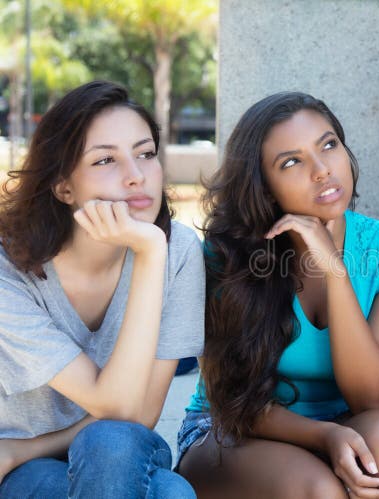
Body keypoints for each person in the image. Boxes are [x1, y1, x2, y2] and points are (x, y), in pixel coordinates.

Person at [176, 92, 379, 498]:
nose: (322, 170)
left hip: (342, 420)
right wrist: (323, 436)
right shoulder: (226, 256)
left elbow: (370, 399)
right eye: (291, 162)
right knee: (318, 489)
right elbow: (232, 401)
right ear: (264, 186)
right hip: (230, 431)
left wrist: (335, 272)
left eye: (329, 145)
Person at [0, 81, 204, 498]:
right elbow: (119, 409)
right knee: (170, 493)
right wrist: (26, 454)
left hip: (113, 452)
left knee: (111, 442)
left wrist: (150, 253)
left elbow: (136, 415)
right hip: (30, 473)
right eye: (106, 159)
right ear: (63, 186)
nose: (136, 176)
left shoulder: (175, 250)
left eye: (145, 154)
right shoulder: (9, 271)